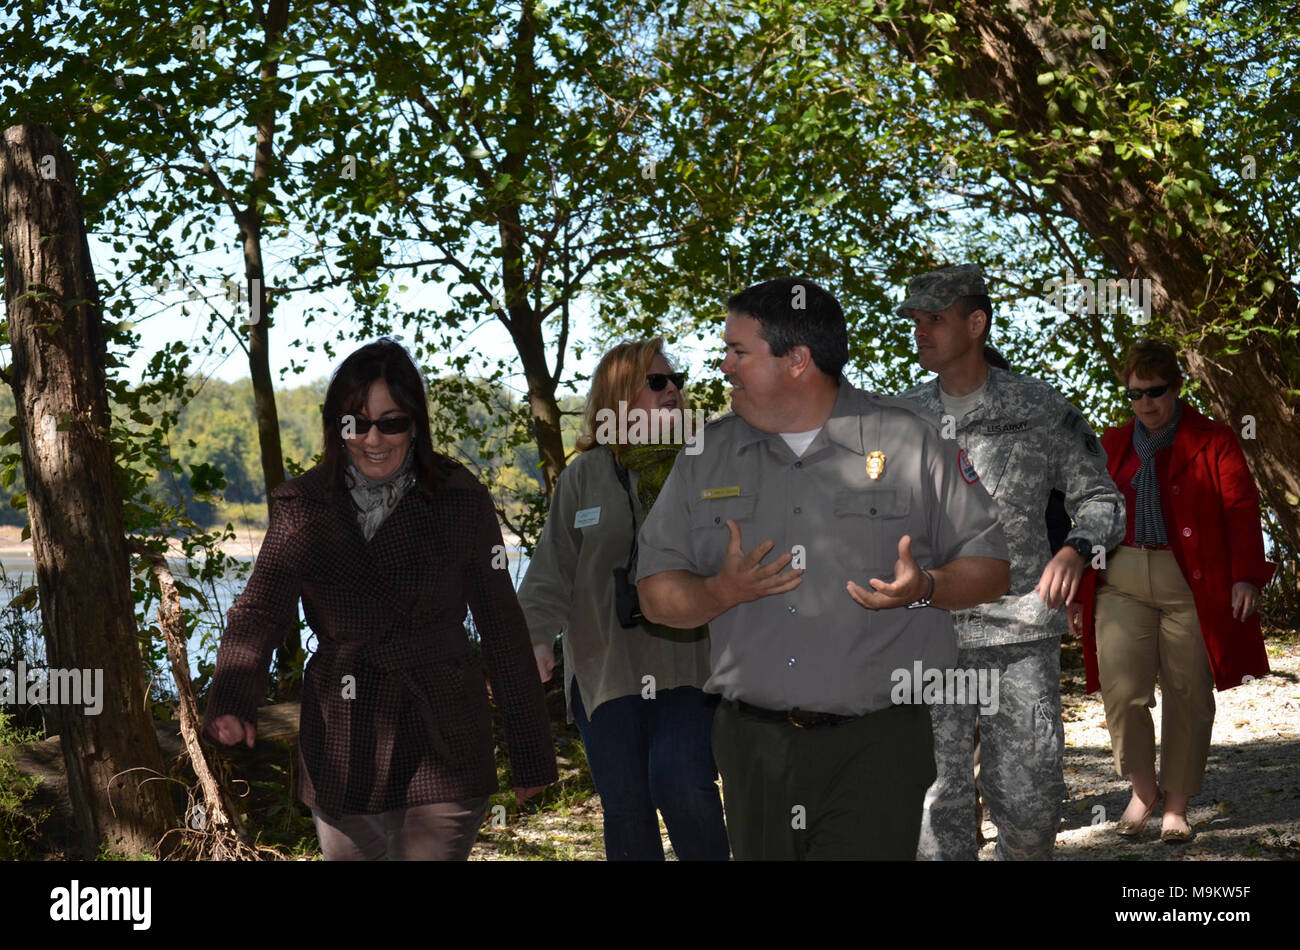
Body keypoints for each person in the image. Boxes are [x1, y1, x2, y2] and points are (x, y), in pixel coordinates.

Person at [635, 277, 1011, 860]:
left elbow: (992, 569)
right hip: (752, 747)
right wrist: (719, 591)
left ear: (797, 361)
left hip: (877, 744)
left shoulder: (911, 441)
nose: (724, 366)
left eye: (738, 351)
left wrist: (927, 587)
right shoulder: (704, 456)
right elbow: (656, 595)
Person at [202, 338, 557, 860]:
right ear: (336, 426)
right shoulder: (302, 506)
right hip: (343, 737)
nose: (373, 438)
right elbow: (260, 611)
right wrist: (233, 698)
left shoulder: (460, 498)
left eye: (391, 422)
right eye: (356, 422)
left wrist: (529, 752)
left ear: (415, 424)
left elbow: (502, 625)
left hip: (446, 735)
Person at [898, 263, 1125, 861]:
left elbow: (1103, 499)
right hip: (925, 630)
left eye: (936, 320)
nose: (921, 332)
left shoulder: (1041, 407)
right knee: (932, 809)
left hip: (1017, 633)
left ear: (976, 323)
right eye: (915, 321)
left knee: (1028, 806)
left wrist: (1078, 549)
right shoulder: (897, 420)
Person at [516, 339, 729, 861]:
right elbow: (552, 568)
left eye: (676, 378)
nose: (673, 388)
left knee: (683, 784)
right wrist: (536, 638)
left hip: (690, 661)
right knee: (627, 809)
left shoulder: (708, 463)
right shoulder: (583, 476)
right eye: (657, 382)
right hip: (605, 667)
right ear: (620, 395)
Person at [1074, 340, 1272, 841]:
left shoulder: (1215, 439)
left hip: (1191, 585)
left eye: (1155, 392)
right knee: (1121, 691)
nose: (1145, 403)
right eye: (1135, 393)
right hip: (1120, 582)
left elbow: (1241, 510)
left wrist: (1246, 575)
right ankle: (1144, 791)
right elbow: (1088, 520)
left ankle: (1176, 807)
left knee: (1188, 694)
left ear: (1176, 388)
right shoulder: (1112, 444)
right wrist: (1079, 594)